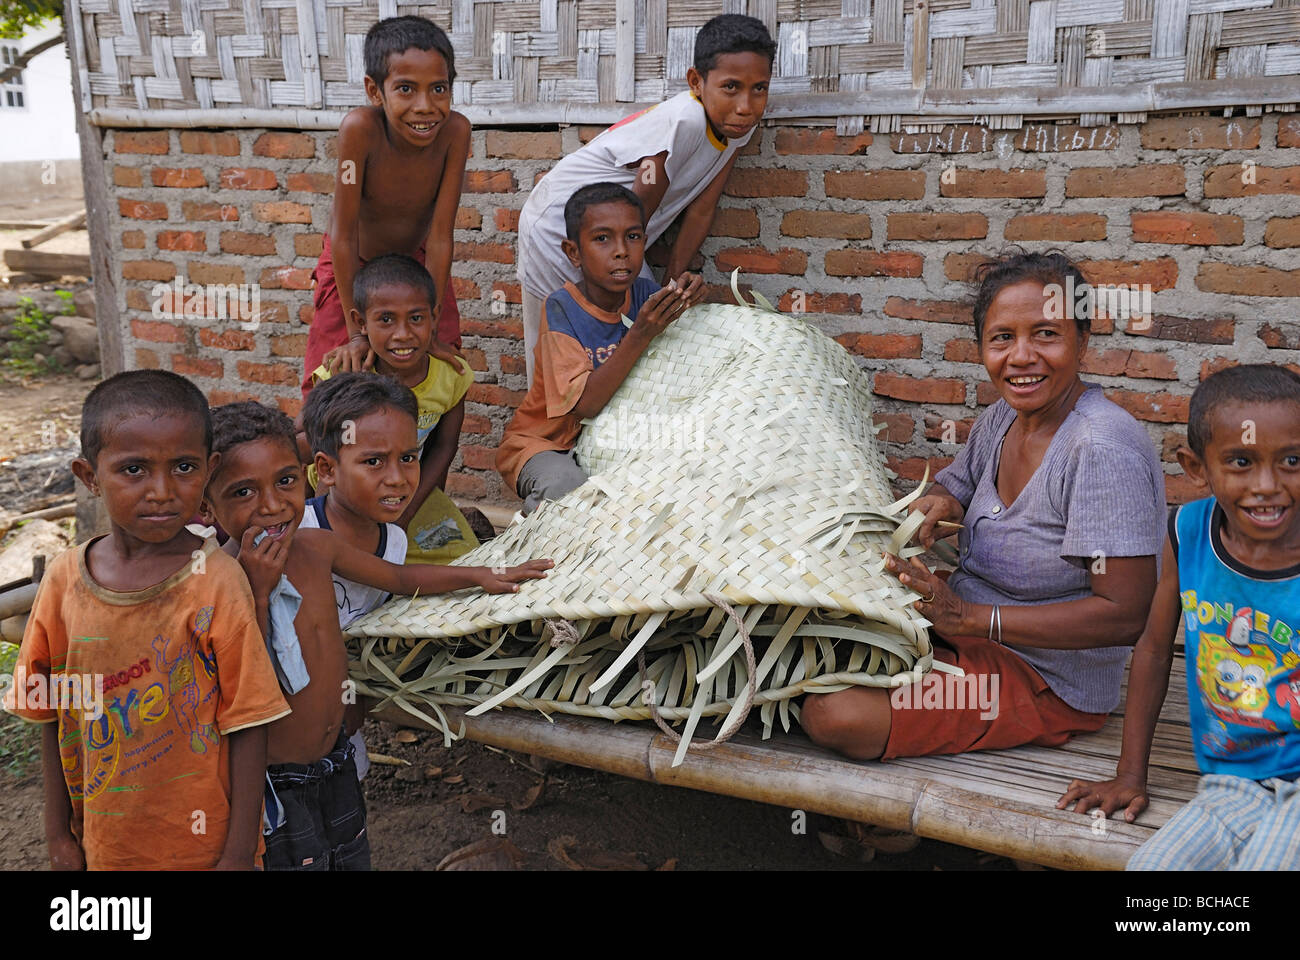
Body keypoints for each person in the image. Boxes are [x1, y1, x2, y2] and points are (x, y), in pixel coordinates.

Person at [801, 251, 1166, 761]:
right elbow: (959, 488)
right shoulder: (1005, 418)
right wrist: (938, 505)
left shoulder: (1100, 450)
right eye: (1002, 338)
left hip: (1044, 676)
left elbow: (1125, 614)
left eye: (1046, 334)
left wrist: (972, 618)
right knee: (811, 645)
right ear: (982, 348)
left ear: (1083, 341)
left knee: (837, 714)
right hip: (966, 629)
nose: (1021, 356)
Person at [201, 400, 550, 870]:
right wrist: (259, 596)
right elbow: (247, 685)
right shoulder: (221, 581)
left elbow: (400, 579)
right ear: (207, 505)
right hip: (274, 780)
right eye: (243, 492)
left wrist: (482, 573)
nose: (271, 505)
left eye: (285, 481)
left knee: (349, 857)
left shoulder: (315, 547)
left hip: (338, 758)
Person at [4, 371, 290, 870]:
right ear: (90, 476)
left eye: (183, 467)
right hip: (103, 843)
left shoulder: (216, 580)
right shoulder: (64, 579)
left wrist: (240, 852)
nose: (161, 490)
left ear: (209, 469)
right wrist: (58, 836)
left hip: (203, 848)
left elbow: (249, 721)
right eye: (133, 470)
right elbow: (50, 715)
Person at [1059, 365, 1300, 870]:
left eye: (1292, 460)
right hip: (1231, 780)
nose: (1266, 485)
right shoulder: (1188, 532)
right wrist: (1130, 775)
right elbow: (1151, 647)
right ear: (1196, 468)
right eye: (1240, 461)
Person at [515, 13, 774, 385]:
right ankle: (548, 439)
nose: (746, 105)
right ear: (696, 83)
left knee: (628, 342)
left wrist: (670, 285)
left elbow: (701, 209)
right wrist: (644, 292)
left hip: (615, 234)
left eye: (759, 89)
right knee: (566, 348)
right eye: (731, 87)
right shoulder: (686, 120)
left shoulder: (738, 130)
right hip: (561, 223)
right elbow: (639, 201)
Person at [497, 182, 702, 514]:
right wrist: (640, 333)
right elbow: (586, 405)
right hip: (546, 445)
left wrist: (686, 299)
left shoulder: (644, 296)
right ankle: (529, 553)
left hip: (611, 443)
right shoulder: (561, 308)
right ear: (573, 252)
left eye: (632, 237)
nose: (621, 251)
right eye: (602, 239)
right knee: (567, 491)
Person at [303, 15, 469, 397]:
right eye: (406, 89)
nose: (425, 106)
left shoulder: (456, 133)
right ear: (375, 91)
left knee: (440, 367)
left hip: (417, 262)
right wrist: (356, 332)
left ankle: (412, 451)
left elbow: (441, 236)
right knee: (333, 375)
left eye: (439, 89)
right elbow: (343, 236)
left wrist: (433, 323)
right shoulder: (360, 130)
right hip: (353, 264)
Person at [309, 253, 478, 564]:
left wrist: (407, 513)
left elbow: (443, 448)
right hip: (343, 492)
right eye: (386, 319)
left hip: (404, 492)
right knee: (336, 559)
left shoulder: (452, 376)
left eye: (416, 318)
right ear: (360, 323)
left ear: (434, 317)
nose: (403, 334)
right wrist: (324, 518)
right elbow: (313, 444)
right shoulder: (345, 371)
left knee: (460, 556)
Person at [300, 372, 422, 779]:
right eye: (373, 461)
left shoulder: (395, 544)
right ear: (327, 469)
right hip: (284, 728)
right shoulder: (297, 530)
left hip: (345, 725)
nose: (397, 478)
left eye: (408, 457)